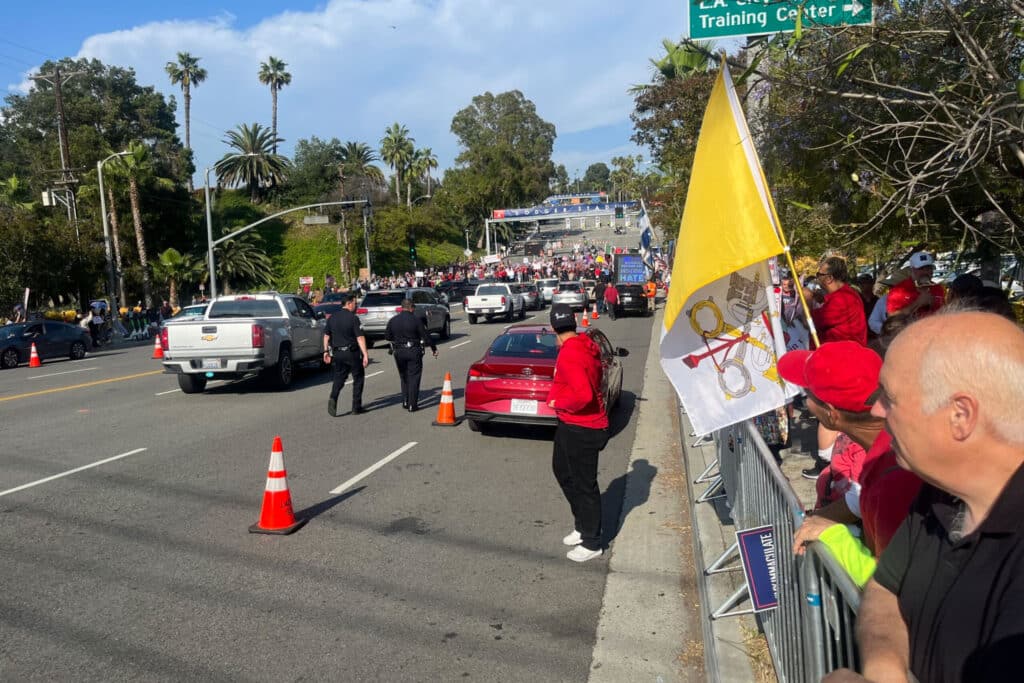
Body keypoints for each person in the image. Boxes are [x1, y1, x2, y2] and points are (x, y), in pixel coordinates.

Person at [829, 311, 1024, 683]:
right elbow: (884, 588)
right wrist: (884, 670)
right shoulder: (936, 493)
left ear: (960, 416)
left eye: (890, 398)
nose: (876, 409)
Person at [546, 303, 609, 563]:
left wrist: (557, 402)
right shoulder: (581, 344)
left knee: (584, 484)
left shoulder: (571, 352)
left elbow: (583, 395)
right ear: (573, 323)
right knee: (562, 471)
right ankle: (582, 525)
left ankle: (592, 541)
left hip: (583, 426)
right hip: (571, 423)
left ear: (553, 328)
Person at [802, 256, 868, 479]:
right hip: (843, 362)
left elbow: (811, 323)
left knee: (829, 413)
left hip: (840, 365)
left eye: (819, 275)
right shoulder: (845, 296)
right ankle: (836, 459)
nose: (817, 279)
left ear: (829, 278)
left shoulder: (842, 300)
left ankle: (826, 463)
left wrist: (807, 302)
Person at [384, 299, 437, 412]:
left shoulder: (393, 320)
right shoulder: (416, 320)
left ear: (402, 307)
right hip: (413, 350)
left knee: (404, 376)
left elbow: (387, 336)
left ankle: (405, 400)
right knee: (414, 377)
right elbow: (426, 335)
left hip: (399, 351)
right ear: (411, 307)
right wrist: (434, 348)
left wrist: (398, 339)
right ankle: (412, 404)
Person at [323, 294, 368, 417]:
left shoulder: (332, 318)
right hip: (352, 352)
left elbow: (326, 336)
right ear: (349, 304)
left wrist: (325, 352)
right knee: (358, 378)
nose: (356, 305)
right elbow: (360, 337)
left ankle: (333, 397)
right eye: (355, 303)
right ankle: (356, 407)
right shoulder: (353, 318)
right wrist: (365, 354)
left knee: (339, 377)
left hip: (338, 353)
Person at [885, 250, 945, 318]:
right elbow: (891, 317)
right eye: (921, 268)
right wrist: (917, 303)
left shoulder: (938, 288)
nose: (925, 272)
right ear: (912, 270)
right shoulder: (899, 291)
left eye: (928, 268)